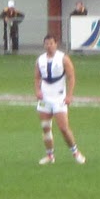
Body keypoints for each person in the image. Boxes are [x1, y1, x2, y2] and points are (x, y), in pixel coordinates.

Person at [35, 33, 86, 165]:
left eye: (51, 43)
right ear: (44, 45)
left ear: (56, 44)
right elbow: (37, 77)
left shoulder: (63, 58)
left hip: (59, 98)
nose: (49, 46)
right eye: (47, 44)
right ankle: (50, 155)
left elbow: (71, 77)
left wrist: (69, 95)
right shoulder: (40, 60)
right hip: (45, 98)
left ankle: (75, 152)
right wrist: (38, 90)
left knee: (63, 128)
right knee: (45, 127)